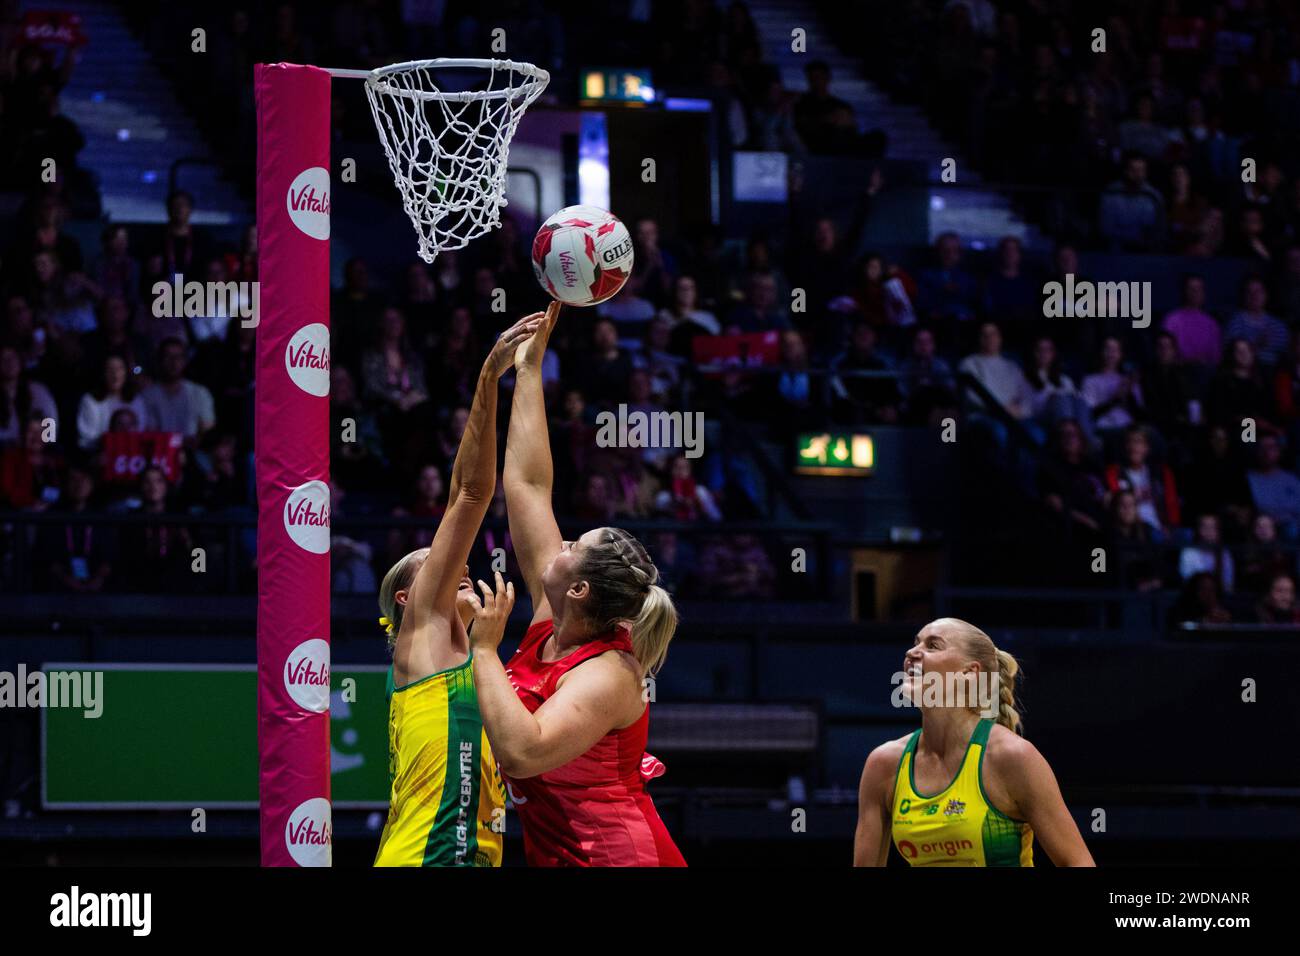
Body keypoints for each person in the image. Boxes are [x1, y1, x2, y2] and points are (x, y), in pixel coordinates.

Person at [467, 302, 686, 867]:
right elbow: (528, 484)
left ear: (582, 588)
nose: (559, 545)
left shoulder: (611, 674)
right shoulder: (552, 611)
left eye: (571, 547)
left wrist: (485, 651)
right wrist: (531, 370)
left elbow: (521, 752)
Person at [372, 312, 540, 868]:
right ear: (406, 597)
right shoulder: (420, 631)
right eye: (437, 564)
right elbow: (470, 494)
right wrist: (490, 379)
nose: (458, 565)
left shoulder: (484, 666)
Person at [853, 618, 1094, 866]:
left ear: (970, 672)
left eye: (933, 646)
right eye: (916, 643)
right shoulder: (884, 763)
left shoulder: (1011, 756)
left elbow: (1077, 862)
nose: (911, 652)